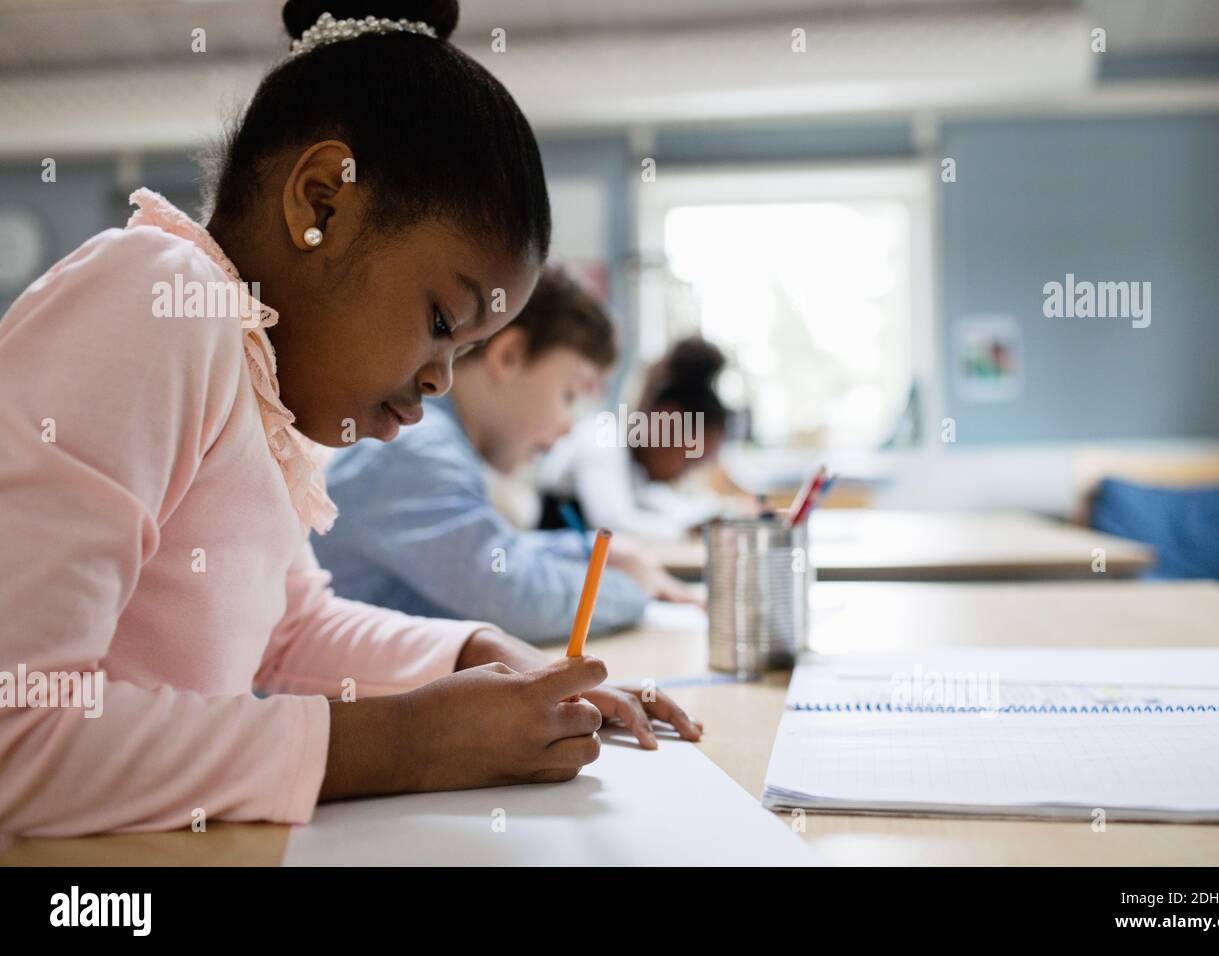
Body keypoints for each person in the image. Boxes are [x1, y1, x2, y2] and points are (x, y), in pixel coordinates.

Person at [0, 0, 698, 838]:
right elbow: (20, 735)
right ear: (322, 204)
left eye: (470, 347)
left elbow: (287, 631)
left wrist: (482, 658)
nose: (442, 379)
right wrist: (408, 742)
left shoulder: (248, 368)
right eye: (444, 322)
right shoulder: (160, 301)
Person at [316, 267, 698, 644]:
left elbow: (498, 552)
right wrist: (633, 588)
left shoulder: (434, 442)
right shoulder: (414, 449)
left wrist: (589, 553)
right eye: (568, 395)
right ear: (509, 356)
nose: (567, 427)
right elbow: (516, 599)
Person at [538, 337, 732, 542]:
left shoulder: (634, 465)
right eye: (688, 461)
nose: (683, 474)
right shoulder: (602, 440)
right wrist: (687, 532)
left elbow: (662, 504)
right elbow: (612, 525)